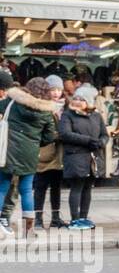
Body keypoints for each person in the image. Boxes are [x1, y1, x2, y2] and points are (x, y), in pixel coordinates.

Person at [0, 73, 59, 238]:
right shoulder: (47, 112)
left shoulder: (12, 101)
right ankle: (28, 230)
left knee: (2, 187)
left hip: (8, 152)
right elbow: (48, 137)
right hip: (30, 155)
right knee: (26, 190)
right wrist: (34, 142)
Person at [59, 85, 107, 230]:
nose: (77, 101)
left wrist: (101, 142)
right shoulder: (68, 115)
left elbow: (104, 134)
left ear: (88, 101)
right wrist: (88, 140)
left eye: (81, 99)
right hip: (75, 156)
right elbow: (65, 134)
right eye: (76, 98)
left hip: (93, 157)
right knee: (77, 187)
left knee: (88, 188)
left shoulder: (96, 116)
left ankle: (84, 218)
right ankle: (75, 219)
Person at [34, 74, 67, 229]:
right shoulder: (42, 107)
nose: (56, 93)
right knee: (40, 188)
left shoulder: (65, 107)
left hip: (59, 155)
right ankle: (38, 219)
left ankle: (55, 218)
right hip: (45, 154)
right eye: (53, 89)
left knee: (56, 189)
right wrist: (59, 135)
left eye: (59, 89)